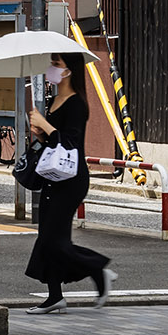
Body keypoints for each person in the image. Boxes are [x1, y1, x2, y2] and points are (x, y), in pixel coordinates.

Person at [24, 53, 114, 311]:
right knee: (48, 237)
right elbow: (53, 144)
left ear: (69, 70)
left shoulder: (77, 104)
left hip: (71, 180)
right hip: (53, 177)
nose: (51, 68)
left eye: (57, 64)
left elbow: (70, 144)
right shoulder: (54, 101)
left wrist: (46, 125)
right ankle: (55, 296)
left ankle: (97, 267)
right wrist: (40, 134)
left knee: (53, 241)